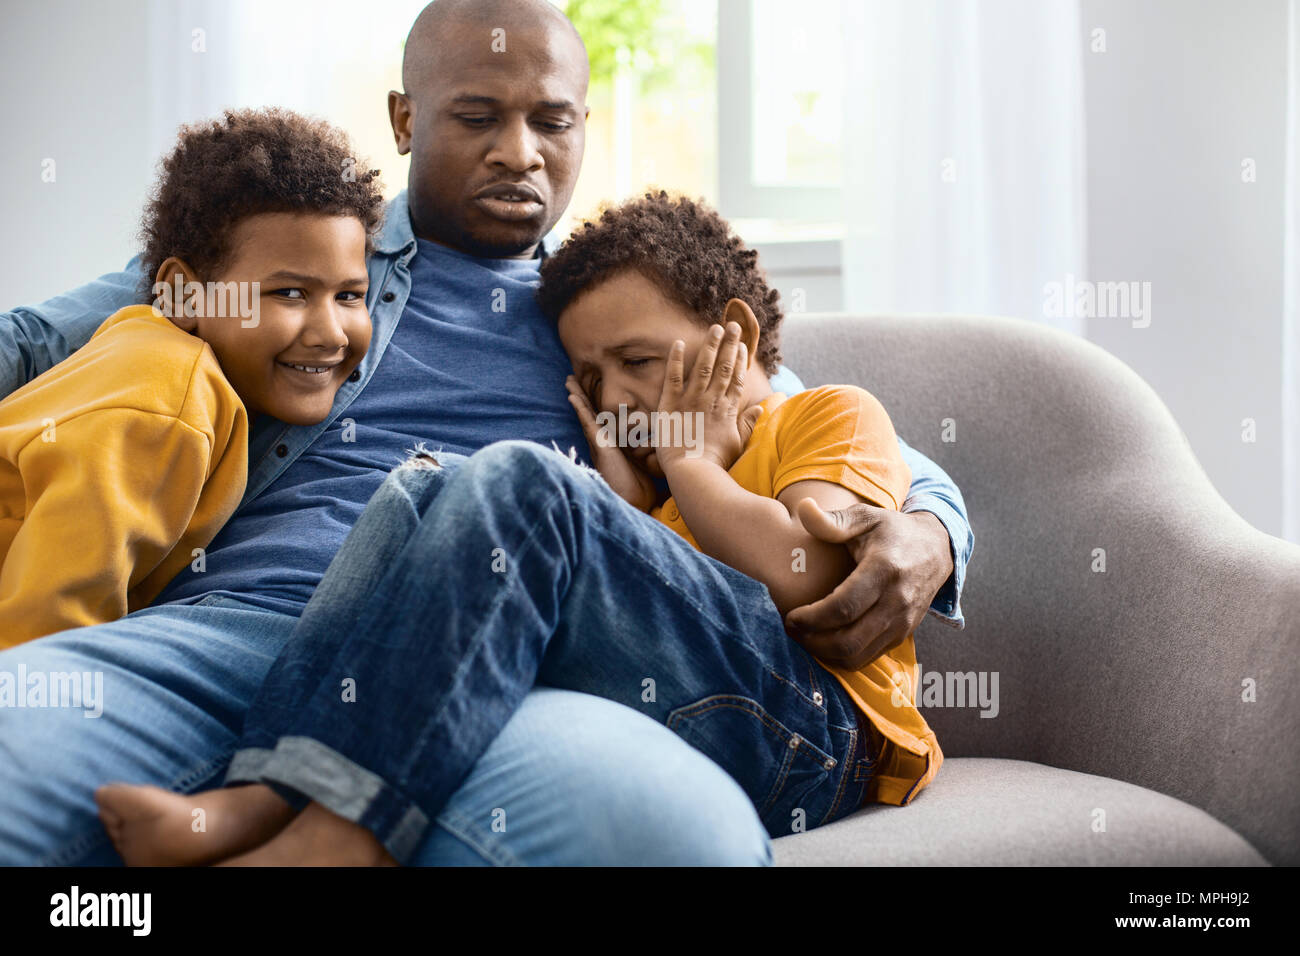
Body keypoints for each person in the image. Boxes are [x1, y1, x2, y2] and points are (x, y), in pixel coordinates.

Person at [0, 0, 970, 866]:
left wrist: (933, 531)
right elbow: (33, 342)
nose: (519, 151)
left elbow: (817, 435)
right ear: (404, 119)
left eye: (551, 120)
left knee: (660, 827)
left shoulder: (604, 308)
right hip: (226, 628)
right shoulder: (287, 247)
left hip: (495, 668)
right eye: (476, 117)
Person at [95, 193, 947, 866]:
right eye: (591, 377)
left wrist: (688, 465)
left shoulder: (826, 414)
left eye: (639, 363)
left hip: (819, 740)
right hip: (708, 709)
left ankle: (344, 842)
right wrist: (629, 503)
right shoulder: (654, 484)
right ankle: (268, 791)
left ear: (736, 336)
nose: (613, 400)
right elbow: (660, 617)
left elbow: (811, 581)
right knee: (422, 494)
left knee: (522, 477)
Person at [0, 108, 379, 646]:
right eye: (288, 293)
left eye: (349, 296)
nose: (331, 333)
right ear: (184, 293)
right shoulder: (167, 398)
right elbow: (43, 628)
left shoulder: (160, 362)